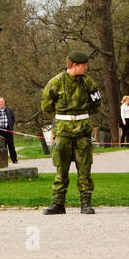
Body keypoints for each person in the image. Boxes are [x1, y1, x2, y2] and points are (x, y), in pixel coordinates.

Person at [41, 50, 102, 215]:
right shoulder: (56, 82)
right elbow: (46, 106)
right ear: (75, 65)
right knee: (61, 168)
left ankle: (86, 203)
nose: (87, 68)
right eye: (84, 65)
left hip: (82, 130)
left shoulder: (88, 83)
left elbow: (97, 104)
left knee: (85, 168)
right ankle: (58, 204)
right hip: (63, 130)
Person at [0, 96, 17, 164]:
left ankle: (14, 160)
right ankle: (4, 161)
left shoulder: (9, 110)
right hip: (0, 131)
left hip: (8, 130)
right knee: (3, 146)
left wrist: (11, 126)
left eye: (2, 102)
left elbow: (13, 118)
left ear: (4, 102)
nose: (1, 103)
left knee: (11, 145)